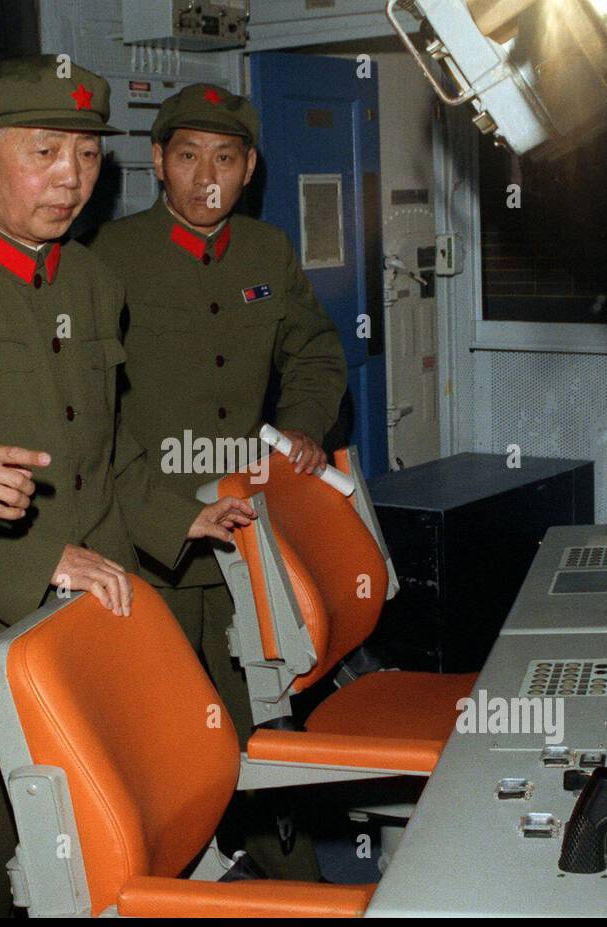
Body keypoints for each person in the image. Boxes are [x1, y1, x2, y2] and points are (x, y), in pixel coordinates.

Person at [0, 55, 255, 915]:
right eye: (46, 153)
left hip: (87, 643)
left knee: (97, 872)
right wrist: (42, 562)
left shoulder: (96, 282)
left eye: (89, 157)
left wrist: (188, 515)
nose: (72, 180)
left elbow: (109, 457)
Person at [88, 83, 348, 744]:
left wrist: (301, 427)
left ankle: (268, 838)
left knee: (260, 706)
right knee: (164, 726)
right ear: (157, 160)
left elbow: (314, 348)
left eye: (225, 160)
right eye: (188, 157)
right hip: (149, 537)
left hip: (246, 526)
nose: (206, 179)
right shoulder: (107, 258)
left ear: (249, 168)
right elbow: (86, 406)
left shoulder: (267, 252)